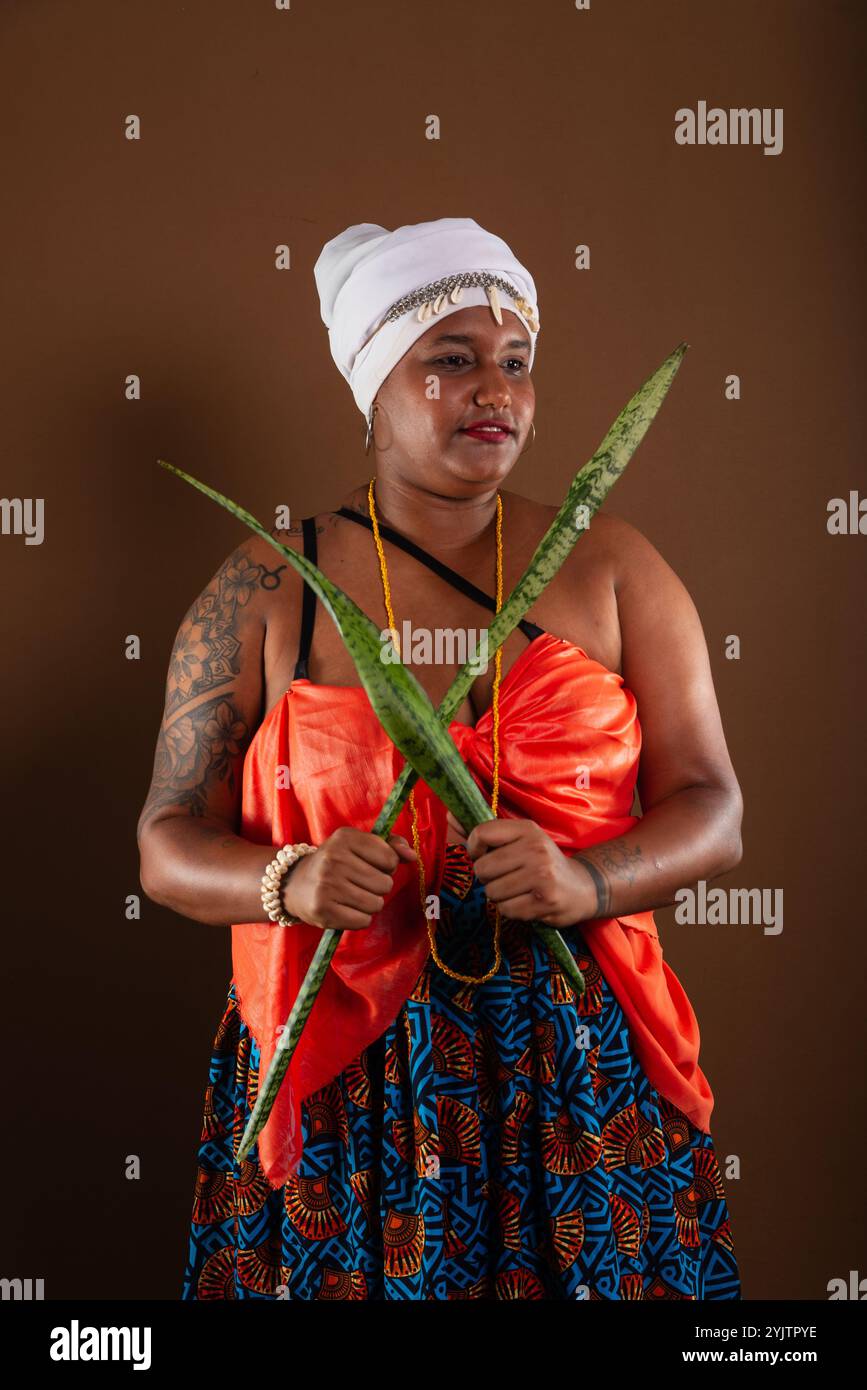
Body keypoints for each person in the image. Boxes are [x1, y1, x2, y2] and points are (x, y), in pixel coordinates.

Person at [137, 216, 743, 1300]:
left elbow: (713, 808)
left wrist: (584, 881)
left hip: (567, 1063)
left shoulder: (614, 568)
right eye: (451, 361)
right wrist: (287, 879)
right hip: (342, 1075)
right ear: (374, 380)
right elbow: (165, 844)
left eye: (516, 363)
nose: (496, 390)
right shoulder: (271, 585)